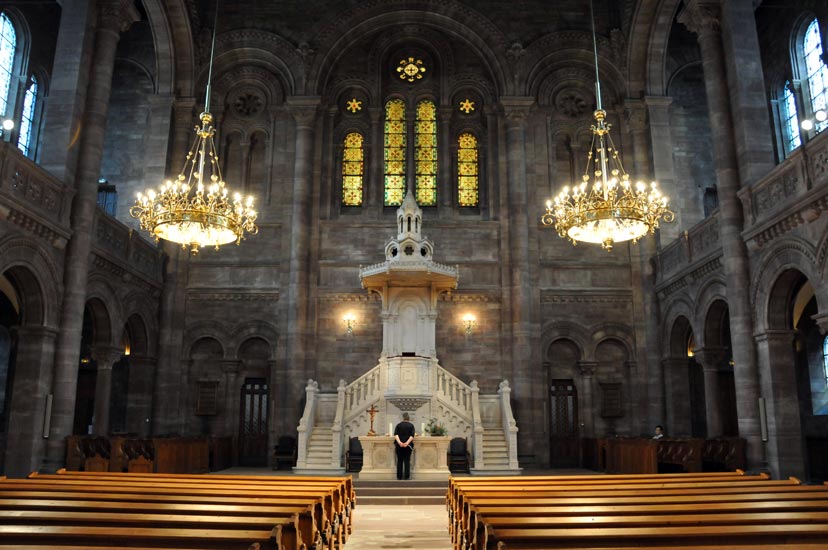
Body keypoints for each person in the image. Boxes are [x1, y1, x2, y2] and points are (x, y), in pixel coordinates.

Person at [393, 412, 415, 480]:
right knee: (407, 461)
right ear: (409, 418)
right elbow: (412, 436)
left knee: (399, 461)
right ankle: (406, 476)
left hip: (399, 446)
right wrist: (407, 443)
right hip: (408, 447)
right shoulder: (411, 425)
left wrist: (400, 443)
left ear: (403, 418)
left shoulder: (398, 425)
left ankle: (399, 477)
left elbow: (396, 435)